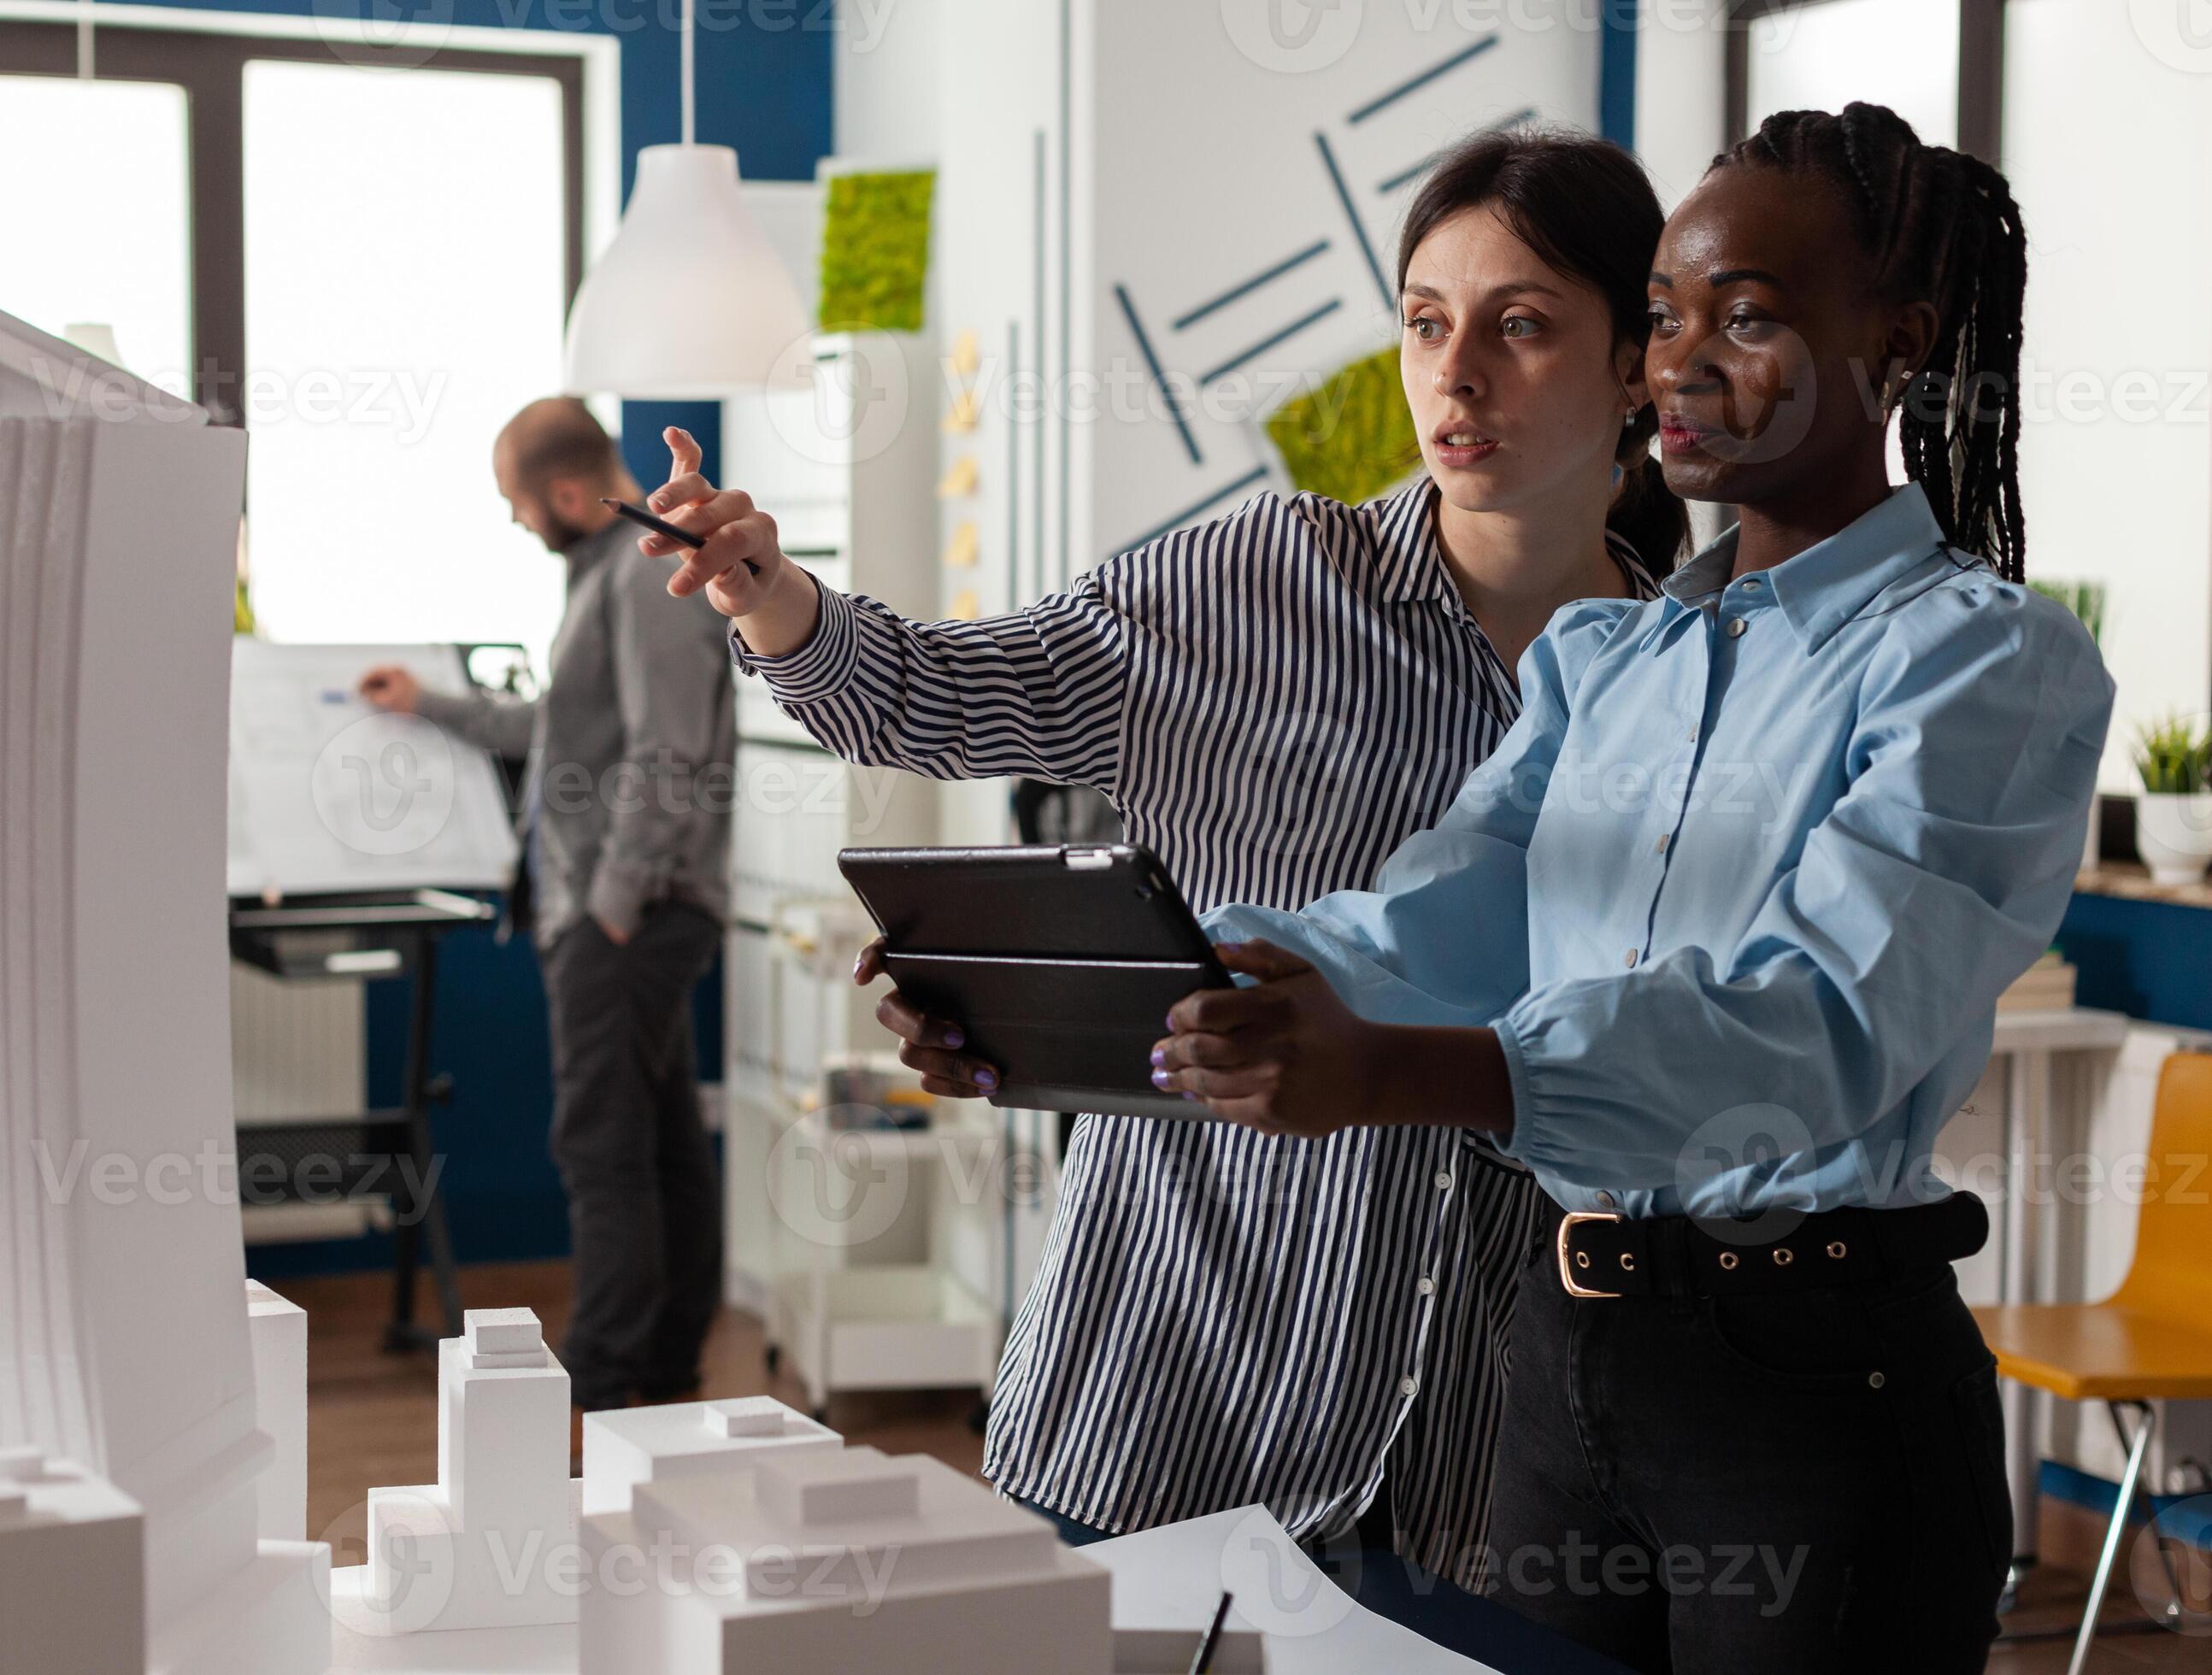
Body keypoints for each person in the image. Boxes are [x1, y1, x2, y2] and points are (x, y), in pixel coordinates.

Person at [636, 132, 1684, 1584]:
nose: (1458, 376)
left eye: (1522, 327)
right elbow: (942, 691)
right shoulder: (1253, 582)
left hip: (1470, 1432)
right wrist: (772, 593)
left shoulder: (1690, 681)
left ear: (1639, 360)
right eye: (1427, 324)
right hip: (1168, 1367)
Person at [1153, 104, 2108, 1670]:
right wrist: (1153, 971)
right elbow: (1448, 906)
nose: (1679, 359)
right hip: (1565, 1352)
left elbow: (1811, 1028)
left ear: (1900, 339)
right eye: (1662, 315)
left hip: (1810, 1398)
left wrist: (1405, 1074)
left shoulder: (1981, 663)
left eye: (1747, 316)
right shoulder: (1612, 654)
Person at [360, 397, 735, 1413]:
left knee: (600, 1144)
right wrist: (426, 705)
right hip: (620, 907)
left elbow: (672, 752)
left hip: (633, 911)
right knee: (651, 1141)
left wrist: (611, 904)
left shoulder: (652, 575)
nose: (517, 523)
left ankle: (608, 1391)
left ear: (567, 492)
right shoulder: (606, 575)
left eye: (516, 504)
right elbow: (558, 728)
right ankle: (656, 1379)